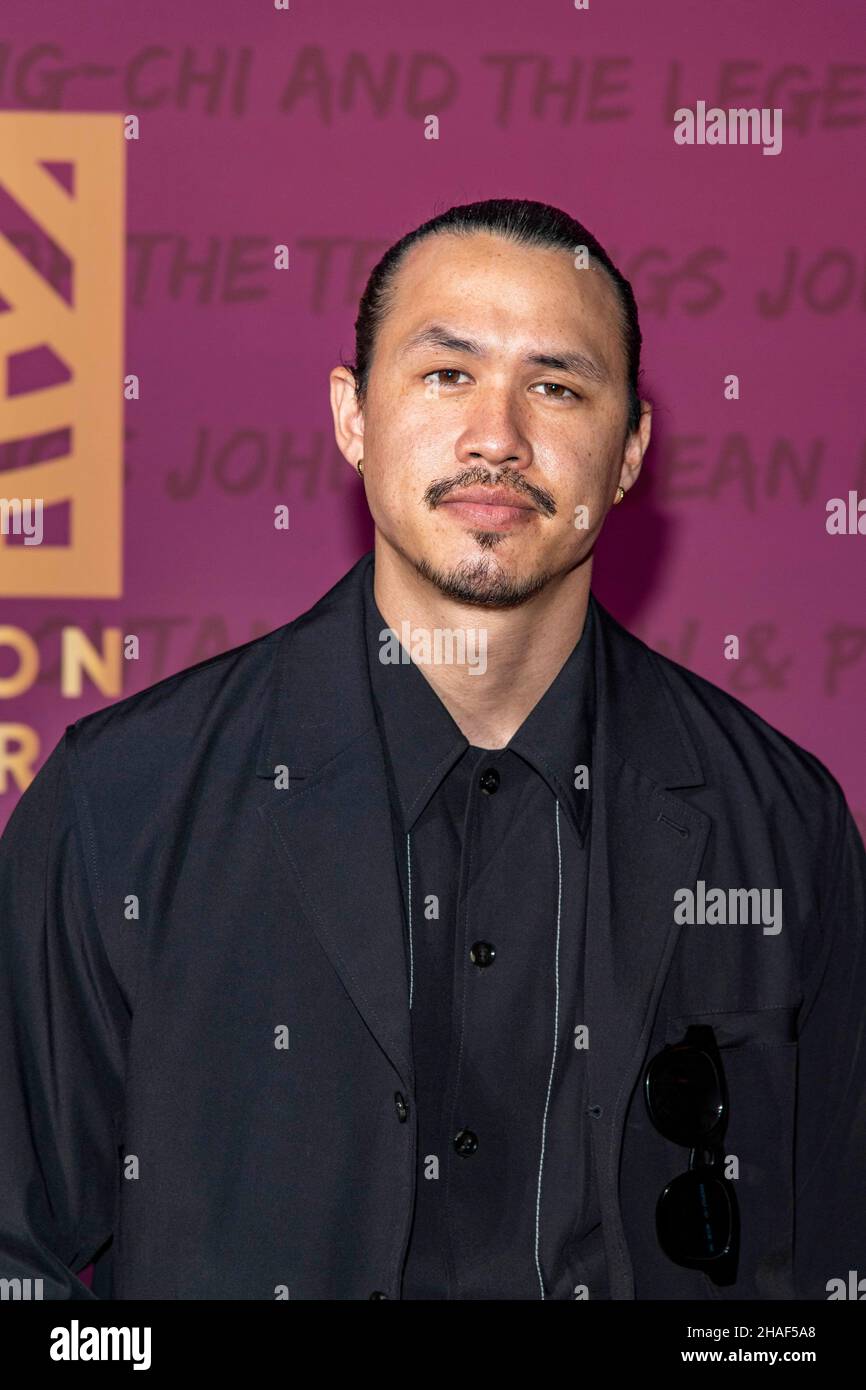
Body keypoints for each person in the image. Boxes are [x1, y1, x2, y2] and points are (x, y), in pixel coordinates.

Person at [1, 198, 863, 1301]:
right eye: (446, 374)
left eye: (555, 386)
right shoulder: (120, 802)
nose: (496, 435)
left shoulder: (779, 826)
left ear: (631, 448)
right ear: (351, 415)